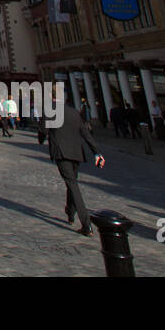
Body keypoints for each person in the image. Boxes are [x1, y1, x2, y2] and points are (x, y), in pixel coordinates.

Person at [46, 93, 105, 236]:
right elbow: (86, 134)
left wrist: (42, 138)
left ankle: (86, 224)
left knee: (72, 184)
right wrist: (97, 153)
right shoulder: (74, 113)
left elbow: (42, 130)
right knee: (71, 182)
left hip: (61, 152)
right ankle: (70, 213)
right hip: (76, 153)